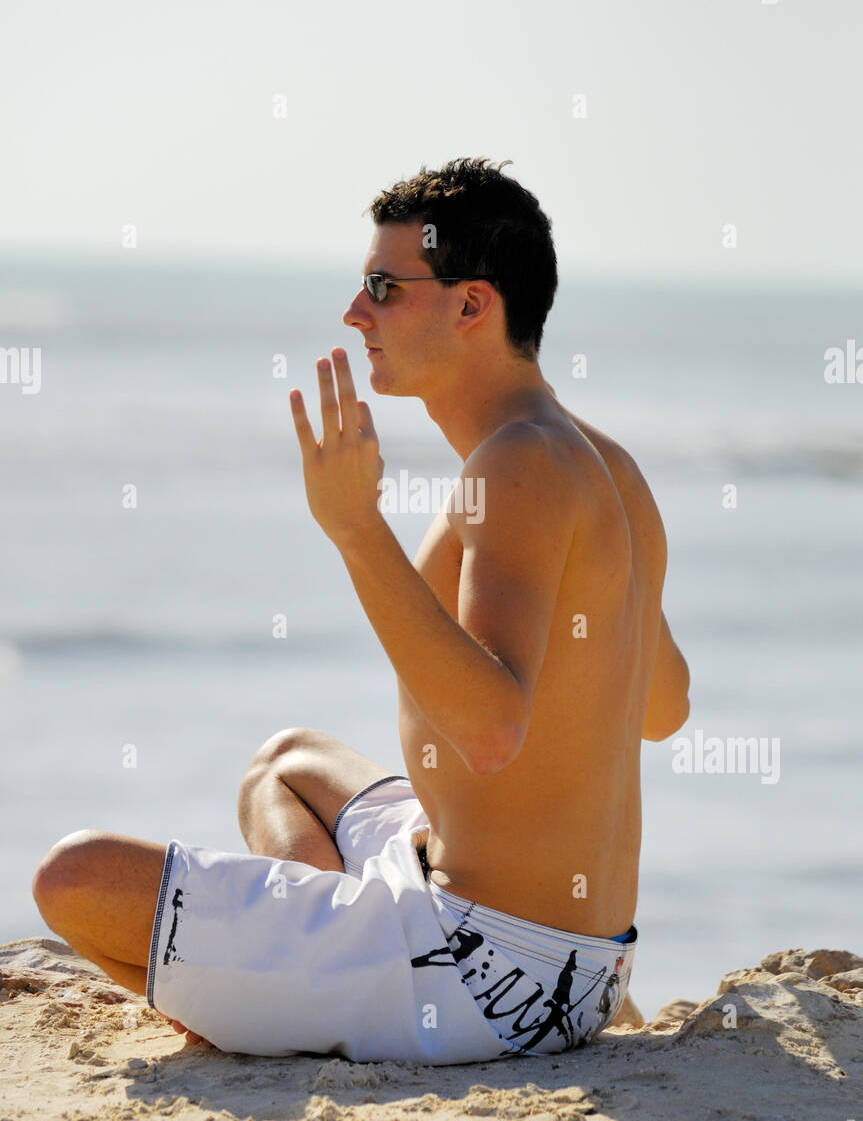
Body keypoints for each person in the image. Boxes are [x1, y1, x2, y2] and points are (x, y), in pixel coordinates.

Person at [32, 158, 690, 1063]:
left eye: (384, 287)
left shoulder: (517, 467)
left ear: (471, 306)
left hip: (486, 971)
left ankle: (281, 990)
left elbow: (493, 728)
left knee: (73, 877)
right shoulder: (601, 462)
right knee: (286, 765)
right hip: (584, 966)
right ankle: (303, 954)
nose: (356, 311)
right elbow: (664, 709)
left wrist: (354, 528)